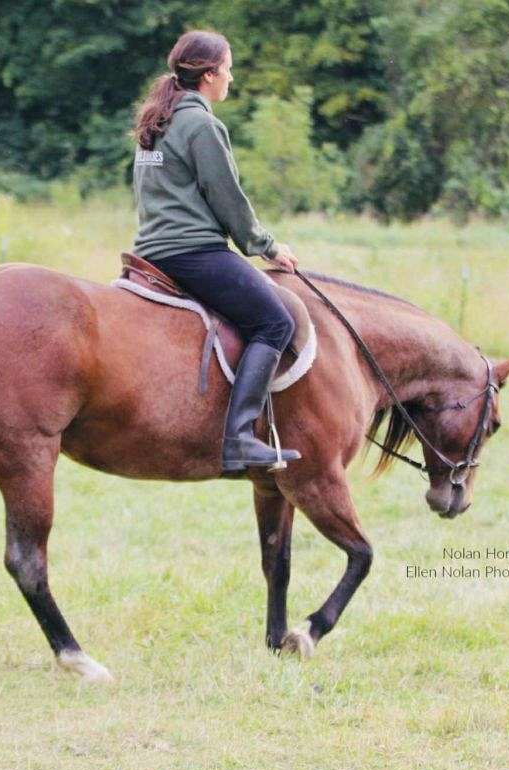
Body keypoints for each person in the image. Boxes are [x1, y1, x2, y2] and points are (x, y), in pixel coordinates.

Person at [131, 29, 302, 473]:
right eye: (228, 68)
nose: (231, 77)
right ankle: (240, 437)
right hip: (193, 251)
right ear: (209, 75)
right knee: (275, 321)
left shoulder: (156, 121)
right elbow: (226, 197)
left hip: (151, 249)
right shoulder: (201, 124)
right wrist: (265, 246)